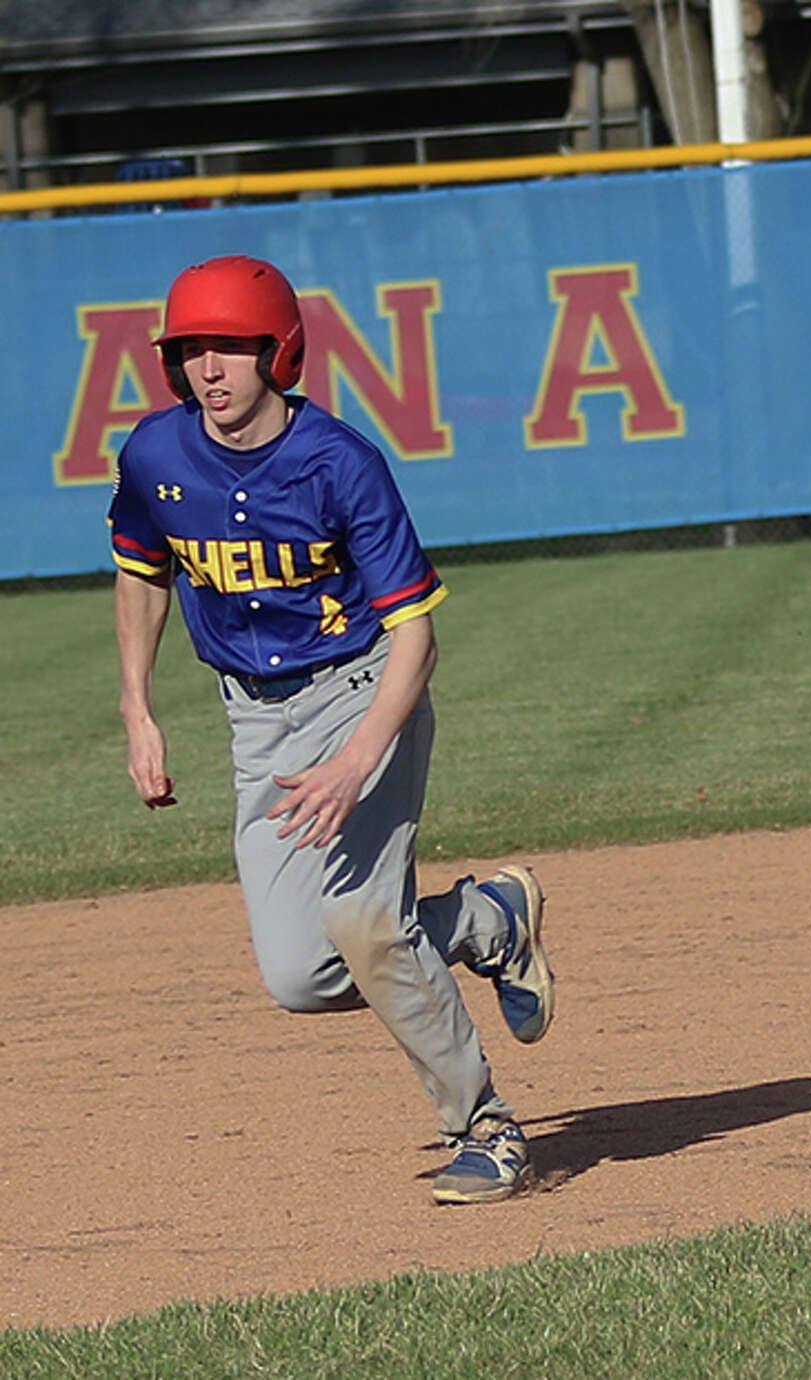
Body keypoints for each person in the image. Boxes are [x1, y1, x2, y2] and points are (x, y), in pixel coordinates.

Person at [109, 255, 555, 1206]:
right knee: (301, 976)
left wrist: (358, 760)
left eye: (232, 346)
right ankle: (487, 919)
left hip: (360, 693)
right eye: (191, 349)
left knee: (364, 921)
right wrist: (136, 705)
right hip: (255, 722)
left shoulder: (340, 462)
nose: (209, 369)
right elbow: (142, 569)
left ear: (280, 352)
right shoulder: (154, 454)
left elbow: (415, 637)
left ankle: (486, 1127)